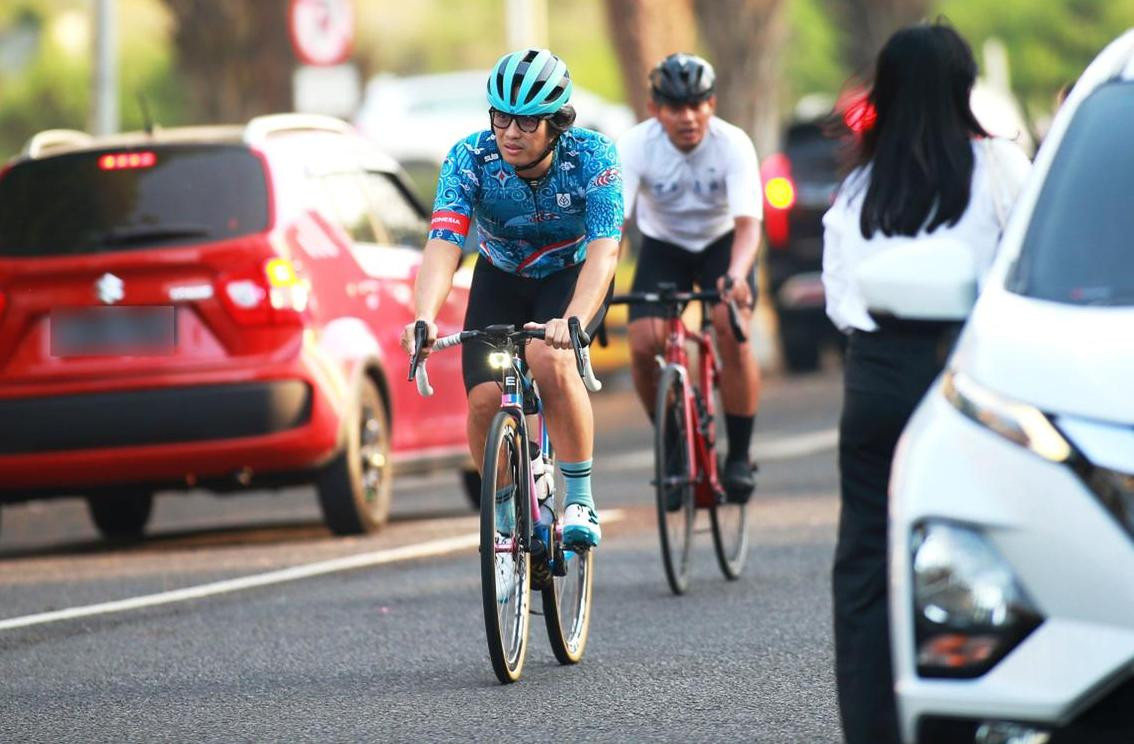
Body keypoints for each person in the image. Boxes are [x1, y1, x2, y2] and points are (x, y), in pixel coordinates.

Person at [821, 23, 1032, 744]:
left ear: (883, 94)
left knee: (866, 568)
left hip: (875, 382)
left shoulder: (858, 186)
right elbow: (1026, 275)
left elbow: (841, 300)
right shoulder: (1000, 167)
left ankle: (873, 730)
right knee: (990, 554)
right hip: (970, 382)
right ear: (961, 89)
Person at [399, 48, 623, 548]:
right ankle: (505, 519)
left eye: (526, 122)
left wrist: (574, 320)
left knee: (548, 356)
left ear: (557, 123)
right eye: (501, 118)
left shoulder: (593, 155)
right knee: (482, 399)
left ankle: (580, 497)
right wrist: (424, 316)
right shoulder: (469, 158)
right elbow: (444, 242)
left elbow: (606, 251)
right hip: (500, 276)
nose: (510, 134)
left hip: (571, 277)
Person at [618, 52, 763, 502]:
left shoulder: (733, 144)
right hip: (665, 248)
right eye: (676, 107)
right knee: (643, 344)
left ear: (712, 104)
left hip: (722, 245)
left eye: (697, 104)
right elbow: (614, 227)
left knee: (729, 328)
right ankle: (673, 443)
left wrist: (737, 276)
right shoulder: (635, 145)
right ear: (654, 109)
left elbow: (747, 225)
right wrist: (599, 288)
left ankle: (738, 455)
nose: (688, 117)